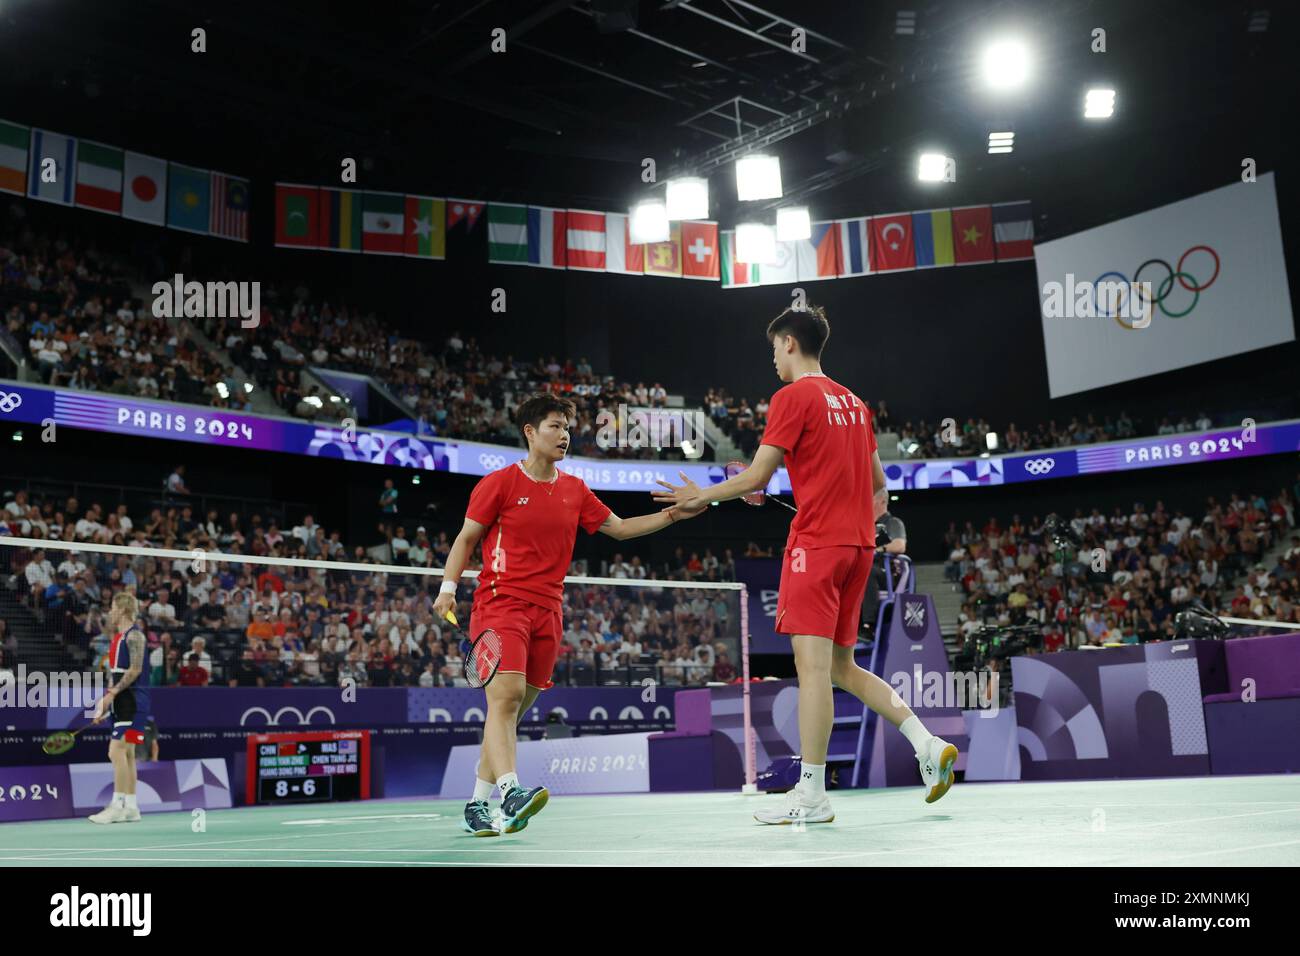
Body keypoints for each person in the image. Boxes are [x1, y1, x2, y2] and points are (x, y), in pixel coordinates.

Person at [655, 305, 957, 825]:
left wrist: (699, 497)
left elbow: (755, 478)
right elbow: (879, 484)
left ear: (790, 343)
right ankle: (927, 744)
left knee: (812, 671)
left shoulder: (791, 397)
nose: (772, 357)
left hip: (814, 548)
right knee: (842, 668)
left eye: (774, 347)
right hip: (859, 549)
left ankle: (813, 796)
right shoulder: (856, 404)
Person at [433, 394, 699, 837]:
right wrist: (447, 589)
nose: (564, 436)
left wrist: (675, 513)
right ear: (530, 432)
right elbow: (465, 539)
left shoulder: (575, 490)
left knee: (511, 711)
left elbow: (620, 528)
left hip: (548, 610)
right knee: (506, 697)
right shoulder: (498, 484)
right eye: (555, 426)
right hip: (501, 602)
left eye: (568, 429)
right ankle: (511, 792)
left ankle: (477, 805)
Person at [88, 592, 150, 823]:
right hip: (121, 703)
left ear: (122, 609)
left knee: (115, 751)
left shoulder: (135, 637)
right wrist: (106, 704)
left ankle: (117, 805)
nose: (110, 612)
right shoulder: (118, 639)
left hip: (133, 703)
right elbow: (115, 677)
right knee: (129, 754)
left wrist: (112, 695)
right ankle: (132, 807)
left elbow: (134, 670)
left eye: (113, 608)